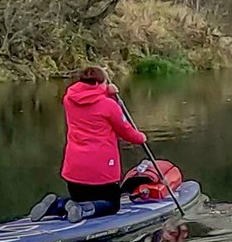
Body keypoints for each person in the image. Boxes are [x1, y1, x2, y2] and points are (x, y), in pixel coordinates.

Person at [29, 66, 147, 223]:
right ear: (101, 83)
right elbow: (126, 131)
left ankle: (58, 205)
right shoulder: (109, 105)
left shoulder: (68, 99)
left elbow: (88, 96)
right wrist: (141, 138)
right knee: (112, 205)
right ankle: (83, 209)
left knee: (79, 199)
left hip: (74, 168)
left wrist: (105, 91)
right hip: (100, 169)